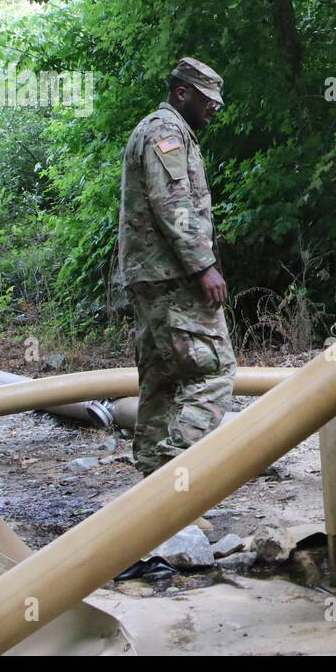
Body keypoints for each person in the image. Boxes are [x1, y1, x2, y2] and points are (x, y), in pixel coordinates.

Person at [116, 57, 236, 476]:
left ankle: (152, 495)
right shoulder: (165, 131)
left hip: (152, 277)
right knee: (215, 370)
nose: (214, 109)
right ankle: (174, 473)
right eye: (208, 101)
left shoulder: (162, 131)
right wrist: (204, 266)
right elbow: (172, 203)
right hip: (172, 278)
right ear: (181, 93)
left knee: (162, 378)